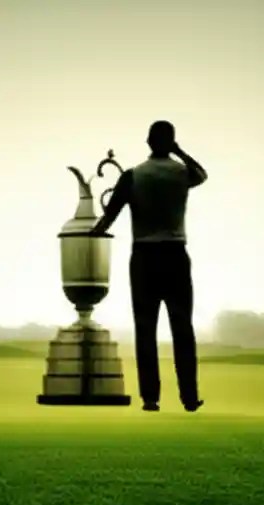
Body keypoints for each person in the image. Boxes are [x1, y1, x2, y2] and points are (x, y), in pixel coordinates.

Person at [90, 120, 208, 412]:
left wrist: (91, 234)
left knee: (145, 328)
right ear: (171, 143)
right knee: (182, 327)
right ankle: (189, 397)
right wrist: (179, 150)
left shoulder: (132, 176)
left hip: (143, 257)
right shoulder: (182, 173)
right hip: (176, 255)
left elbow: (108, 218)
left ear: (147, 142)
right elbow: (202, 175)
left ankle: (150, 398)